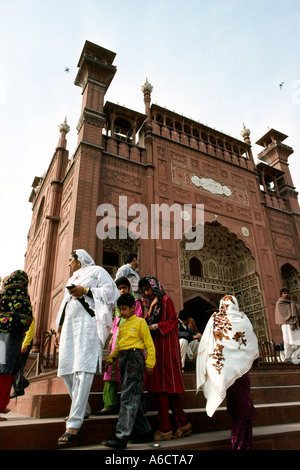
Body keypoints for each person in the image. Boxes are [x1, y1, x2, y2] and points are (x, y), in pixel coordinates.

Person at [55, 249, 119, 445]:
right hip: (69, 326)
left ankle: (74, 423)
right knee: (65, 369)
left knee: (83, 369)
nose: (68, 264)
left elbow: (112, 293)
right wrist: (58, 326)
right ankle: (83, 408)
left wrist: (86, 291)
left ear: (79, 260)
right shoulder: (72, 277)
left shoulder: (98, 272)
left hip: (88, 324)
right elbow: (65, 303)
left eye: (70, 260)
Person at [196, 295, 259, 450]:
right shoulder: (242, 318)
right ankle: (241, 444)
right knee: (241, 406)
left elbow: (208, 344)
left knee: (238, 407)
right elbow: (251, 342)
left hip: (225, 371)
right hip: (240, 373)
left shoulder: (215, 319)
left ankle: (239, 444)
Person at [139, 276, 192, 441]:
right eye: (144, 291)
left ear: (154, 286)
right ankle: (183, 423)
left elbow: (172, 321)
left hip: (166, 349)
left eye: (148, 289)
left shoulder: (166, 300)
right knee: (167, 389)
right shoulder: (154, 303)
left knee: (163, 387)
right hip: (157, 347)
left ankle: (165, 428)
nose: (146, 293)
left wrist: (154, 326)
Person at [101, 293, 155, 449]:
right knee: (132, 397)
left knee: (127, 397)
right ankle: (145, 431)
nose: (122, 313)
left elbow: (149, 344)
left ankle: (121, 435)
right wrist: (111, 358)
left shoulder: (140, 323)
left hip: (134, 359)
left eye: (124, 309)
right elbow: (119, 345)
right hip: (123, 359)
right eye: (120, 310)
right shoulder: (122, 324)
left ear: (133, 308)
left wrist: (150, 363)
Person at [98, 276, 144, 414]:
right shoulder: (119, 307)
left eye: (124, 288)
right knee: (111, 372)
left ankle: (137, 405)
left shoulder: (135, 303)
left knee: (130, 375)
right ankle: (110, 403)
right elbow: (115, 325)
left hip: (130, 342)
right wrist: (112, 337)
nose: (122, 290)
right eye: (119, 288)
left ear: (129, 288)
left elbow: (138, 320)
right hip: (117, 343)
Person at [0, 270, 33, 421]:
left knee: (2, 367)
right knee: (7, 371)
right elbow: (27, 318)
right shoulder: (22, 295)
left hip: (1, 336)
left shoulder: (3, 295)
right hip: (13, 337)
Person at [11, 315, 35, 398]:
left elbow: (31, 328)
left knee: (17, 364)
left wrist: (25, 344)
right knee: (16, 364)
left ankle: (19, 389)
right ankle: (22, 382)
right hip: (19, 340)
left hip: (24, 341)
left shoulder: (27, 313)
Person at [275, 288, 300, 361]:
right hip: (286, 324)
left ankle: (295, 356)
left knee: (297, 340)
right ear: (281, 295)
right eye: (284, 293)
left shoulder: (291, 303)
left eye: (287, 293)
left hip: (294, 324)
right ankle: (287, 356)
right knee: (287, 341)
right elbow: (281, 315)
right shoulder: (279, 303)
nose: (286, 294)